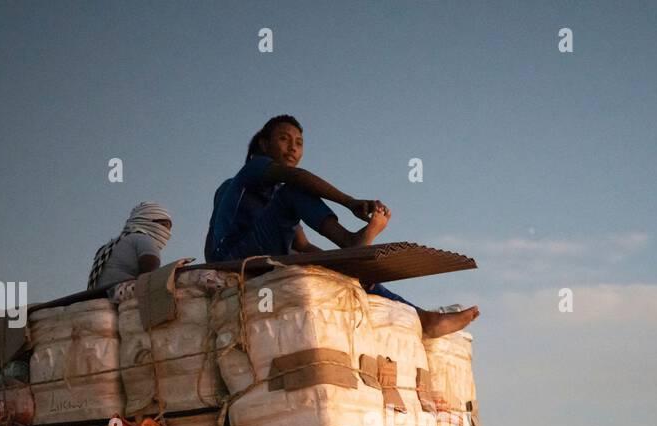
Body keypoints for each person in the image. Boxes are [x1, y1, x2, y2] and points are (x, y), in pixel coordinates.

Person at [205, 115, 478, 339]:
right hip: (232, 256)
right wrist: (349, 202)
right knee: (295, 189)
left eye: (299, 143)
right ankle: (351, 240)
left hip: (266, 254)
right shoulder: (248, 174)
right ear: (264, 144)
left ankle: (423, 318)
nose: (293, 148)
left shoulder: (277, 197)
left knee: (348, 275)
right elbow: (296, 178)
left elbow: (302, 245)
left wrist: (339, 266)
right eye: (284, 139)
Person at [87, 202, 174, 291]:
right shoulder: (143, 239)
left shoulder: (108, 247)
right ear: (147, 220)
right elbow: (150, 273)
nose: (167, 232)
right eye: (164, 225)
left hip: (96, 294)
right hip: (121, 291)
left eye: (169, 228)